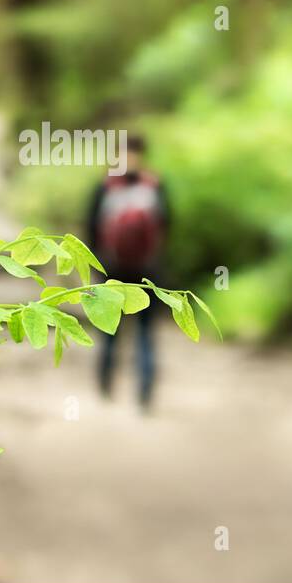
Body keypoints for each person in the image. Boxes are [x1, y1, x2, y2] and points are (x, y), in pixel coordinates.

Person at [85, 134, 169, 410]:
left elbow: (90, 230)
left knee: (110, 331)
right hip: (147, 273)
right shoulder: (154, 185)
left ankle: (105, 385)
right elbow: (166, 227)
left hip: (111, 272)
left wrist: (95, 271)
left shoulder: (105, 186)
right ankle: (145, 392)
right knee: (145, 334)